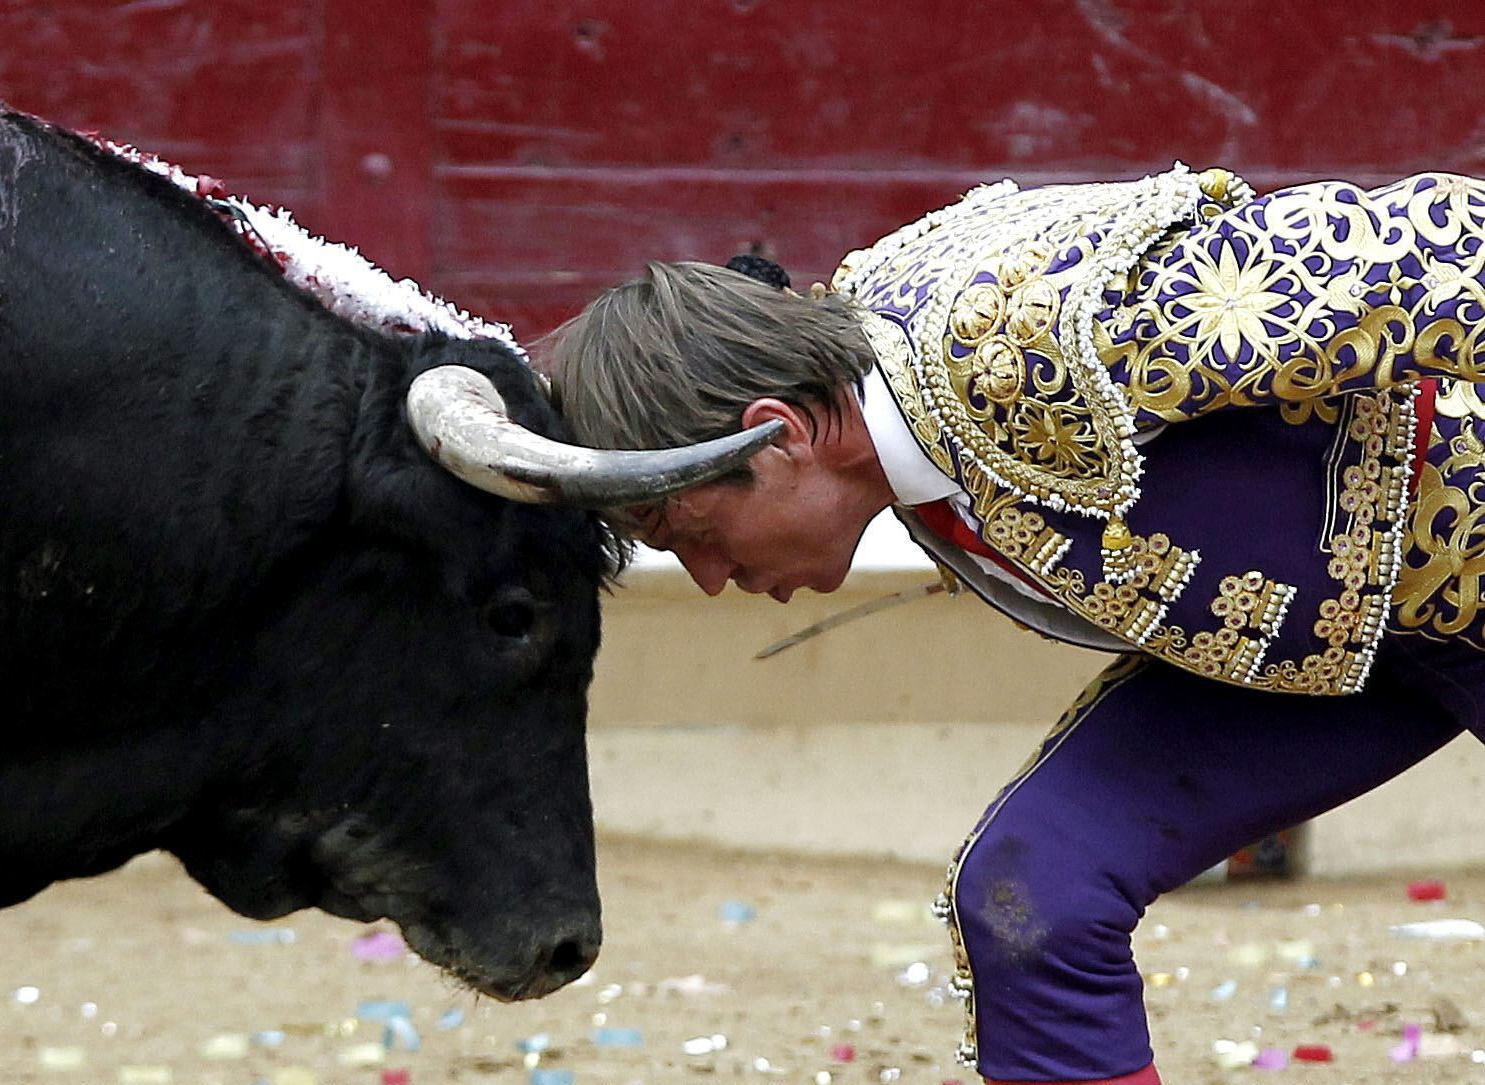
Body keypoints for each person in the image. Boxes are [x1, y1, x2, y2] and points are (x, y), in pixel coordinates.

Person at [536, 164, 1485, 1085]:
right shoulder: (890, 399)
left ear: (781, 434)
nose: (708, 579)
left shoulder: (1025, 333)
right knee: (1033, 894)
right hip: (1330, 645)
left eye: (691, 531)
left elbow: (1439, 252)